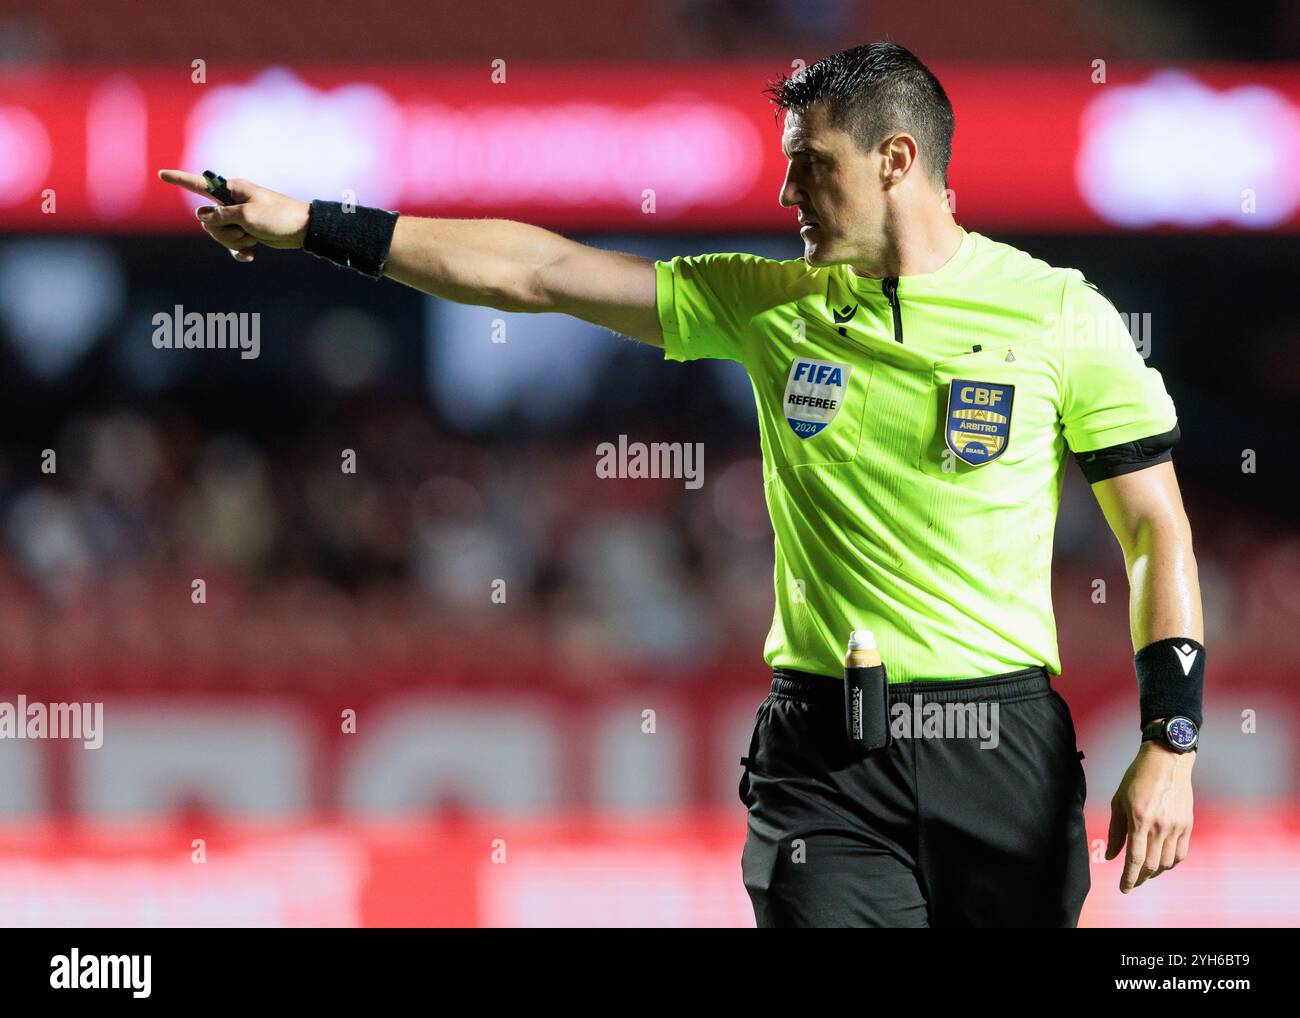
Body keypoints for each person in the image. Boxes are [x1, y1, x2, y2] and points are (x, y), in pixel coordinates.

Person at [159, 40, 1204, 928]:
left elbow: (1155, 529)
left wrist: (1172, 738)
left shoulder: (1059, 315)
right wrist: (319, 227)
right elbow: (539, 273)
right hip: (825, 757)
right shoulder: (767, 303)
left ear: (896, 159)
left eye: (810, 166)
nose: (785, 191)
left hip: (1001, 751)